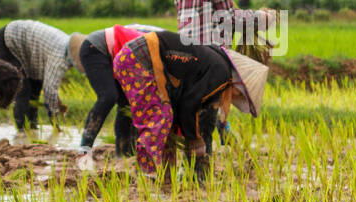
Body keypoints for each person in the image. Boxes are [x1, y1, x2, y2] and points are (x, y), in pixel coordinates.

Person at [173, 0, 276, 155]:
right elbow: (227, 17)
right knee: (207, 110)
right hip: (210, 53)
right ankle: (203, 164)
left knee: (191, 109)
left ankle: (192, 163)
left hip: (183, 49)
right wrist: (262, 20)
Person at [112, 29, 268, 181]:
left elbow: (183, 104)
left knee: (169, 121)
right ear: (239, 86)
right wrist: (195, 141)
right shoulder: (221, 74)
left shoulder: (217, 64)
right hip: (138, 58)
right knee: (160, 116)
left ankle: (167, 176)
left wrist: (194, 140)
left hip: (132, 56)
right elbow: (189, 106)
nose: (235, 99)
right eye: (239, 95)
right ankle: (147, 175)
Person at [74, 23, 164, 169]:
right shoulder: (162, 52)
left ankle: (122, 155)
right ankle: (84, 151)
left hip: (121, 57)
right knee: (108, 96)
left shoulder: (168, 54)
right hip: (96, 49)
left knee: (128, 103)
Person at [0, 20, 84, 135]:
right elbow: (50, 91)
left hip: (29, 51)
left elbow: (49, 83)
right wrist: (55, 122)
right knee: (23, 88)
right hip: (7, 41)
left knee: (35, 88)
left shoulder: (66, 45)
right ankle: (22, 133)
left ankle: (32, 127)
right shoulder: (59, 57)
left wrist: (56, 101)